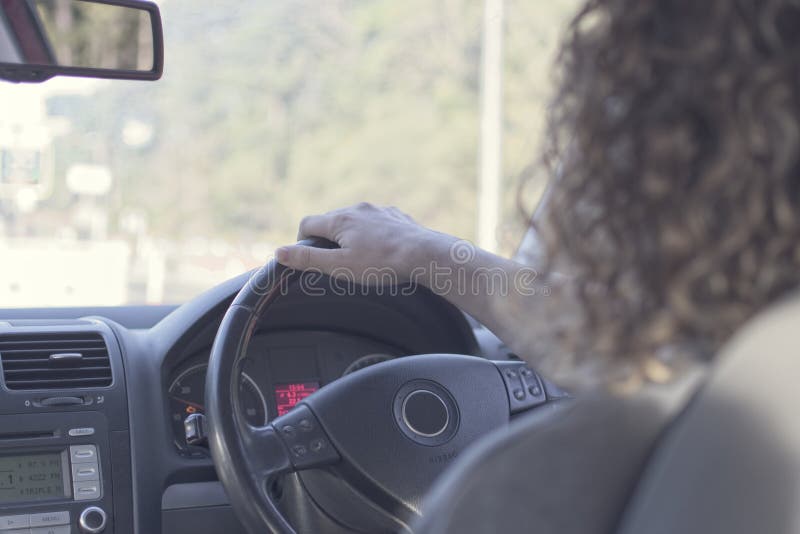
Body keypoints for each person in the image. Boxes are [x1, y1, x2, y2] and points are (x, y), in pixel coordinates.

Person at [276, 0, 800, 531]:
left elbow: (615, 335)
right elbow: (625, 334)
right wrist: (420, 252)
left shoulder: (519, 494)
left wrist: (419, 250)